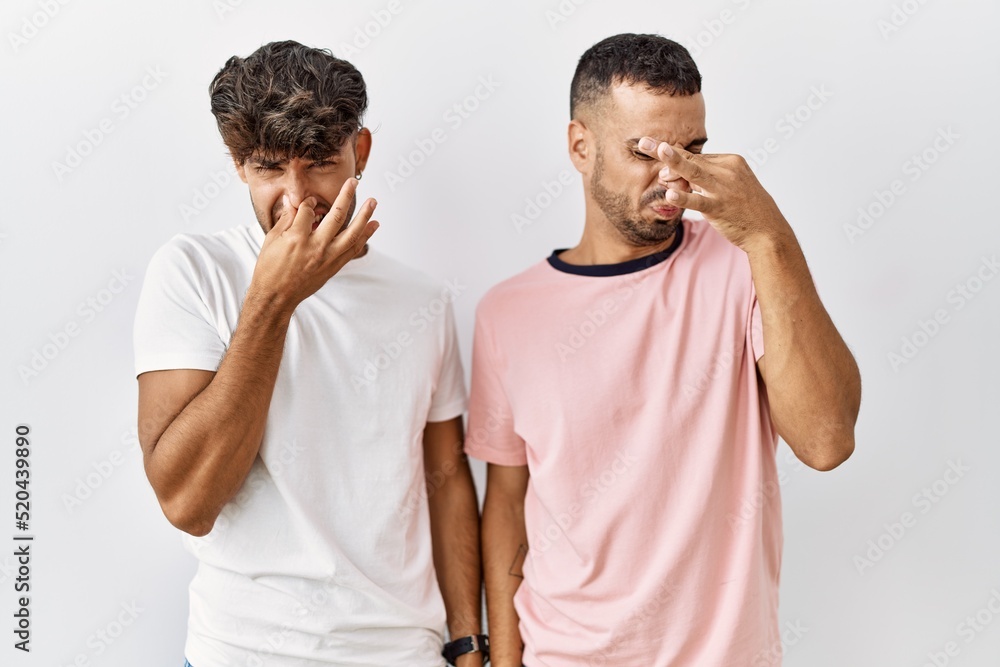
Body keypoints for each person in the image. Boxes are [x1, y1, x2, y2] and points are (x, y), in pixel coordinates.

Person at [468, 33, 861, 666]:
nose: (674, 177)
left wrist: (768, 234)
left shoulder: (748, 264)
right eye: (644, 152)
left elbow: (827, 440)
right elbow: (508, 505)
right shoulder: (506, 314)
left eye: (692, 150)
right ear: (580, 146)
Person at [133, 40, 486, 667]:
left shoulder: (422, 301)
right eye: (270, 167)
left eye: (320, 163)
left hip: (402, 652)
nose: (296, 198)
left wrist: (466, 640)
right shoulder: (193, 271)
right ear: (239, 164)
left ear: (361, 152)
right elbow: (187, 503)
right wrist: (273, 300)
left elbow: (446, 479)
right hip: (242, 654)